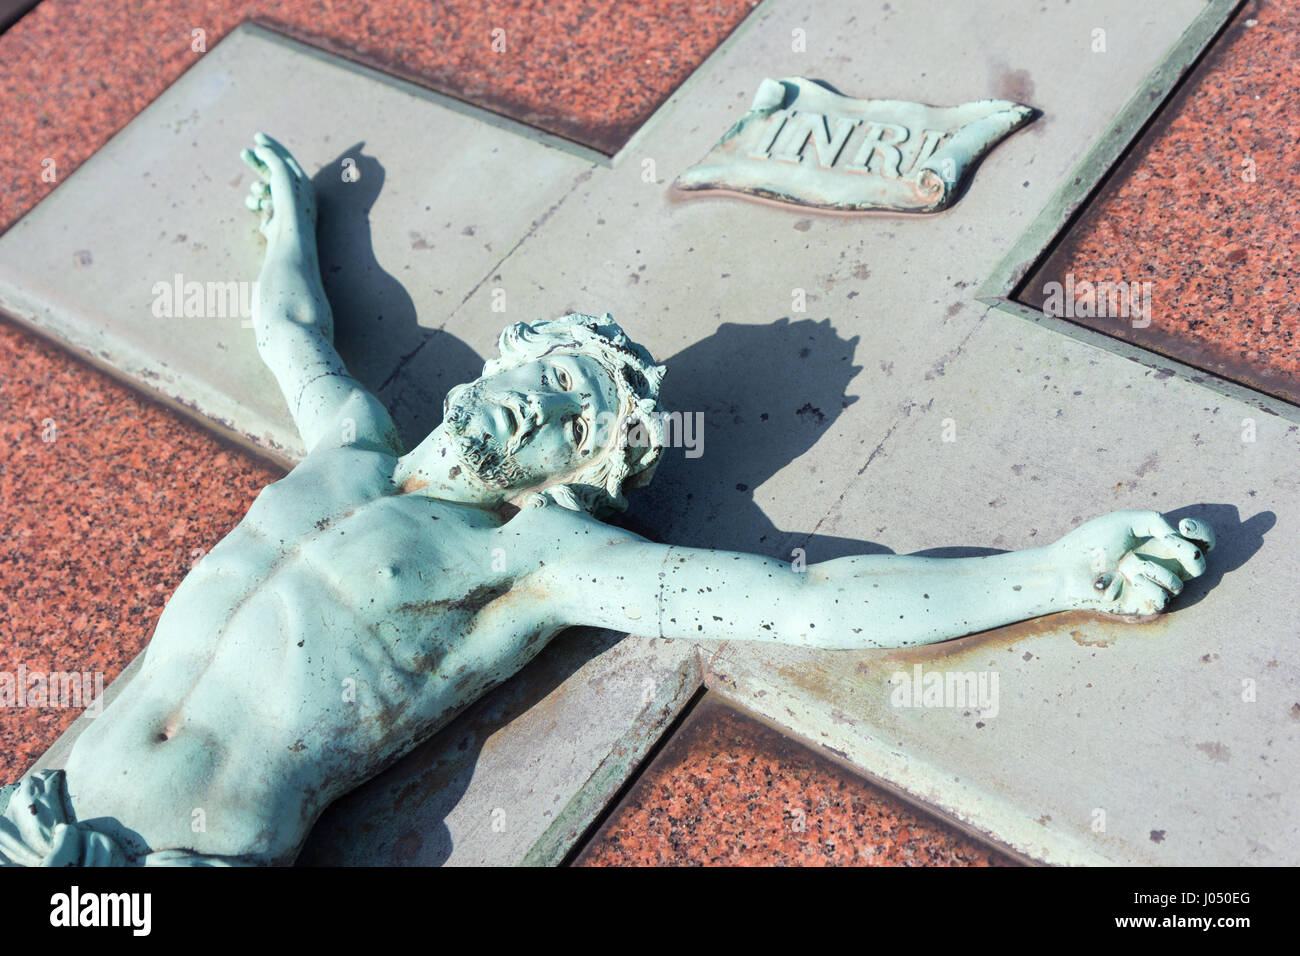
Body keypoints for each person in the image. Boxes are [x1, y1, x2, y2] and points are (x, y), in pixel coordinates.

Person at [0, 134, 1213, 866]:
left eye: (566, 406)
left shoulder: (531, 558)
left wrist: (1054, 573)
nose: (526, 401)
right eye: (532, 372)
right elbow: (293, 329)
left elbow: (808, 599)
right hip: (46, 811)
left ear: (573, 469)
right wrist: (294, 222)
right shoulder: (351, 439)